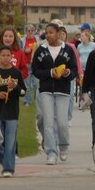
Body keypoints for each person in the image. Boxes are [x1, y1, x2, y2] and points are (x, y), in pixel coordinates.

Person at [31, 22, 77, 165]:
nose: (48, 35)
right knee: (48, 123)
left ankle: (63, 146)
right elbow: (36, 70)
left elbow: (74, 69)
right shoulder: (41, 50)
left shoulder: (68, 50)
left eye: (51, 32)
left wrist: (67, 72)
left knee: (62, 123)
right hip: (46, 90)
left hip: (63, 91)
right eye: (46, 33)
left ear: (58, 33)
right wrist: (50, 72)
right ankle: (51, 153)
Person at [0, 45, 26, 178]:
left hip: (12, 112)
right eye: (2, 55)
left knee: (10, 142)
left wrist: (16, 87)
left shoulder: (16, 73)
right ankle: (6, 160)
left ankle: (8, 168)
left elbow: (23, 92)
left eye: (8, 55)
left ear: (12, 57)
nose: (5, 58)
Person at [22, 25, 39, 108]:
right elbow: (19, 50)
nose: (30, 32)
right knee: (27, 85)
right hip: (26, 65)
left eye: (32, 30)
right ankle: (27, 101)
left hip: (36, 64)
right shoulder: (23, 40)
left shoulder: (38, 39)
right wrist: (24, 51)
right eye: (28, 30)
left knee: (36, 84)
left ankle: (37, 100)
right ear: (26, 31)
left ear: (34, 31)